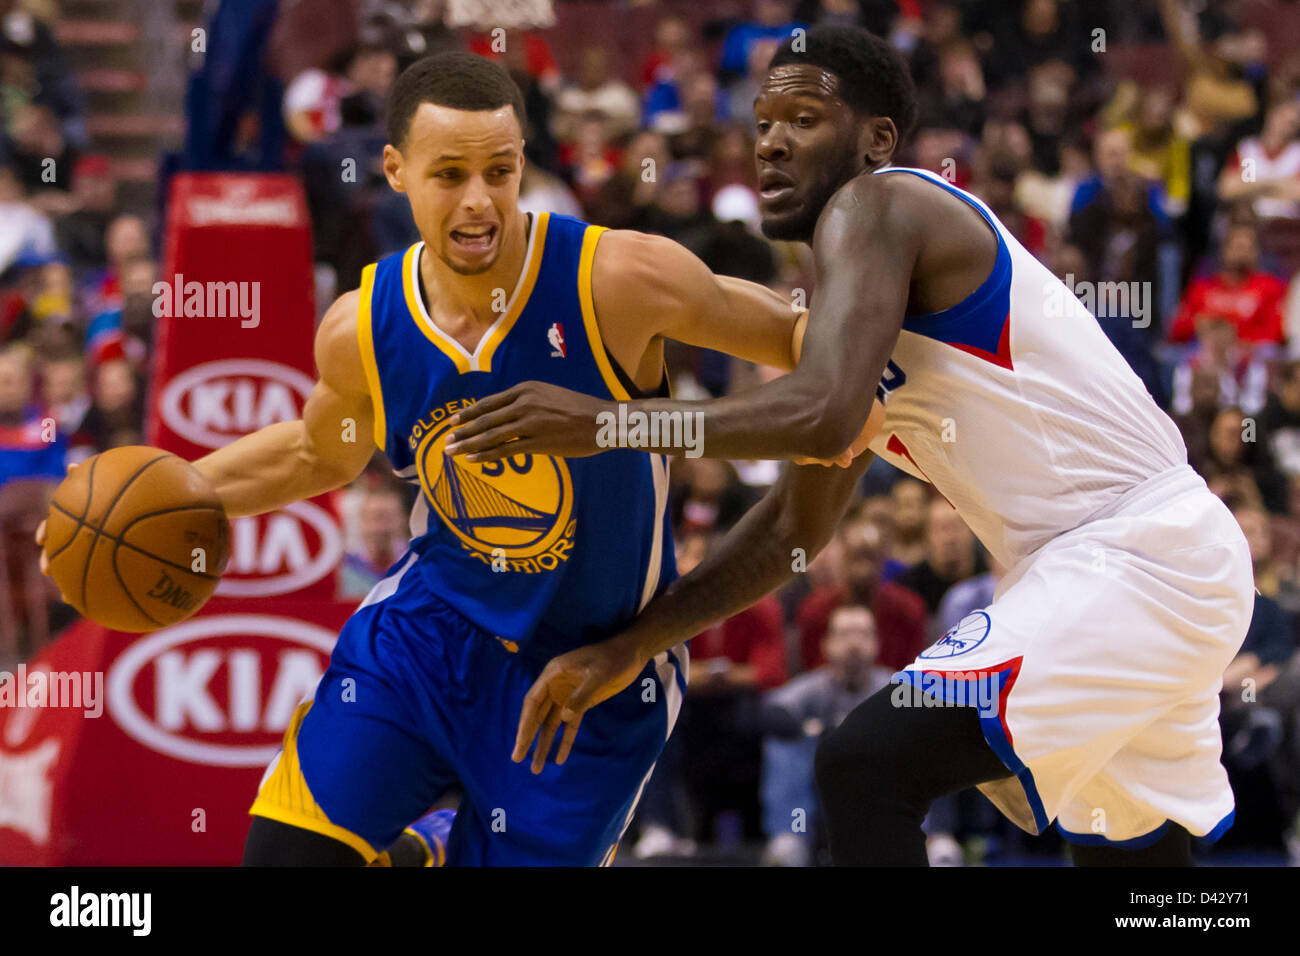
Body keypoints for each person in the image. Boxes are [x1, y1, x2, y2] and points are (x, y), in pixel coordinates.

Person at [36, 51, 873, 867]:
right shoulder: (362, 326)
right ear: (395, 170)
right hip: (427, 641)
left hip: (595, 672)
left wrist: (906, 397)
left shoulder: (617, 278)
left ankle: (432, 850)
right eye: (449, 175)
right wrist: (138, 503)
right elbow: (312, 452)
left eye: (500, 172)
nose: (480, 203)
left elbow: (821, 351)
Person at [451, 25, 1254, 867]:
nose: (772, 140)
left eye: (804, 117)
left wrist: (607, 423)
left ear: (876, 140)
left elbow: (825, 416)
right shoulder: (846, 319)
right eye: (763, 120)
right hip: (1123, 570)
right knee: (1137, 875)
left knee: (865, 765)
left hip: (1132, 552)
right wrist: (630, 647)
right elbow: (792, 532)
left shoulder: (884, 204)